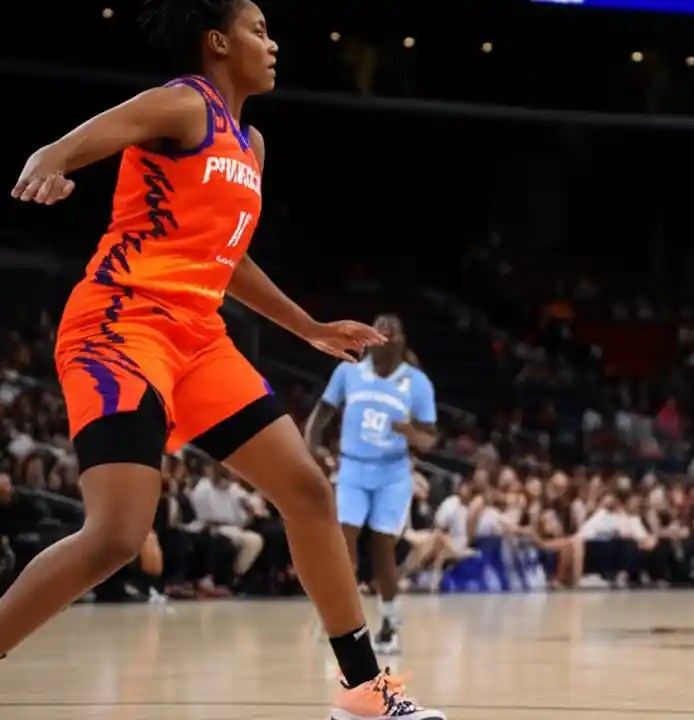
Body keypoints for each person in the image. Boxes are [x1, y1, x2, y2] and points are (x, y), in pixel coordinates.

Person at [4, 2, 444, 716]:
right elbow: (74, 142)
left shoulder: (251, 144)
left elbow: (228, 258)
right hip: (122, 323)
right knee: (116, 535)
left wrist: (307, 327)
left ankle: (363, 689)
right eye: (259, 31)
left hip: (199, 338)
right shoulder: (182, 104)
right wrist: (49, 163)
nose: (272, 44)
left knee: (306, 491)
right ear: (218, 42)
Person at [305, 314, 439, 655]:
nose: (388, 336)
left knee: (383, 552)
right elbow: (320, 415)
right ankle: (344, 623)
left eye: (394, 332)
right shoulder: (348, 371)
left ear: (402, 341)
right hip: (352, 468)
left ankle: (390, 623)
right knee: (343, 547)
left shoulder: (417, 382)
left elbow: (430, 441)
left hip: (392, 475)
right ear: (369, 339)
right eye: (381, 331)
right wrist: (313, 451)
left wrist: (410, 433)